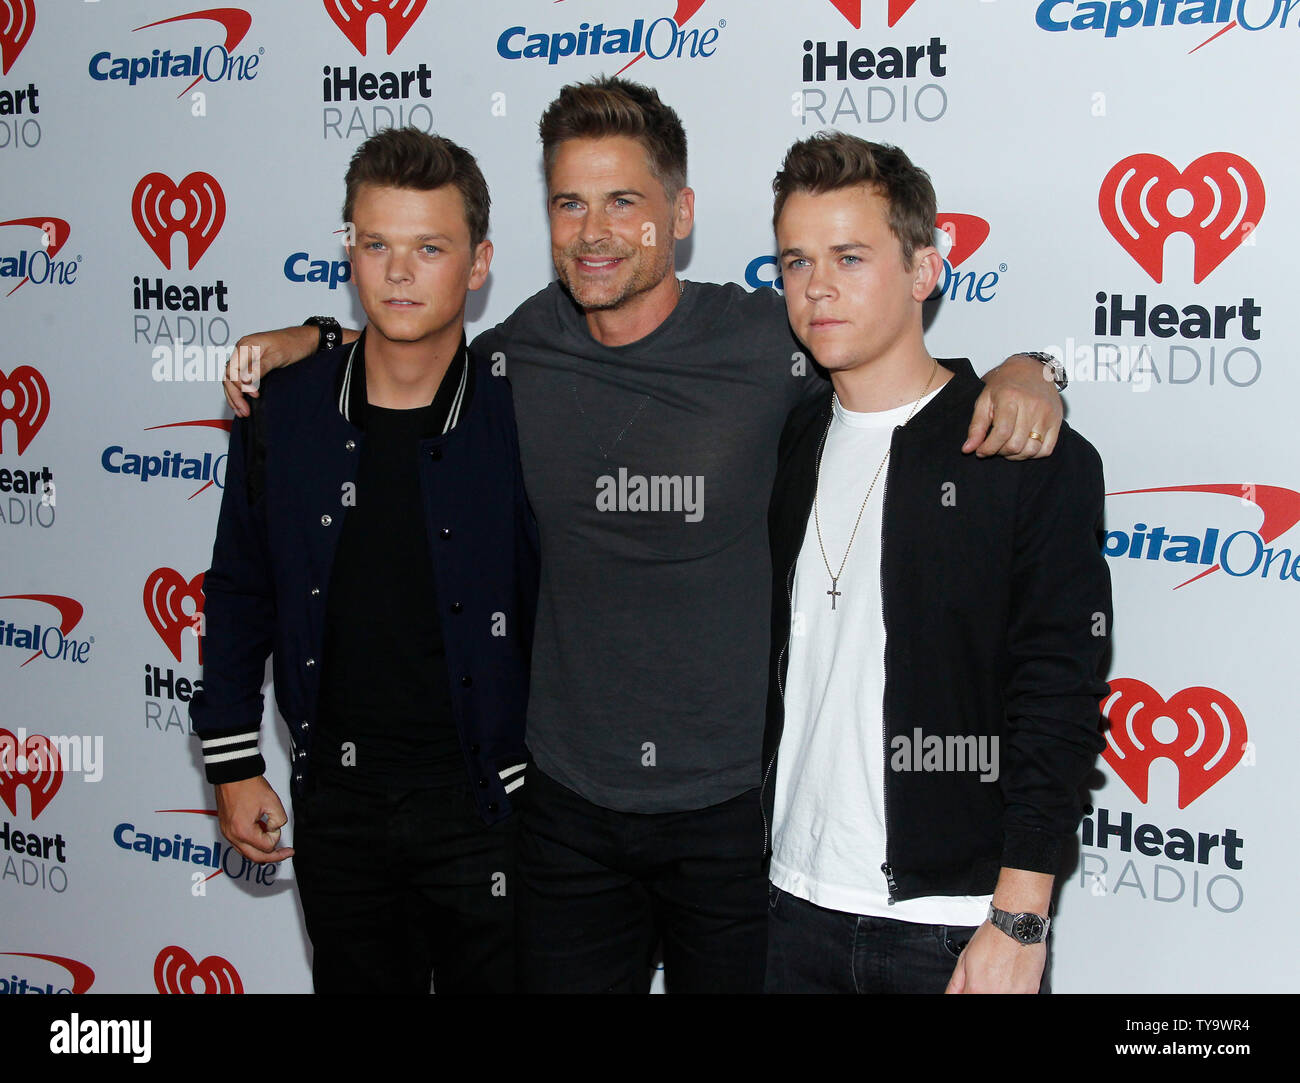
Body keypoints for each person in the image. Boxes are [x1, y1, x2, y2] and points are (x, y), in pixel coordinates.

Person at [222, 77, 1066, 993]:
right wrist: (311, 339)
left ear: (682, 213)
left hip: (740, 822)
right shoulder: (513, 357)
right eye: (570, 203)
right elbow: (406, 340)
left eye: (625, 201)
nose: (595, 231)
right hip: (563, 817)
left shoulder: (772, 340)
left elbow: (896, 371)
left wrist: (1036, 367)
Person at [189, 128, 538, 994]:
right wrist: (232, 762)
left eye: (430, 247)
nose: (399, 272)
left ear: (480, 261)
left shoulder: (524, 402)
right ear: (350, 251)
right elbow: (239, 589)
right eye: (376, 244)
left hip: (493, 804)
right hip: (337, 805)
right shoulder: (288, 408)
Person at [762, 131, 1110, 994]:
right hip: (782, 905)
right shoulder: (789, 435)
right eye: (796, 262)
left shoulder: (1022, 453)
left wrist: (1020, 919)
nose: (819, 287)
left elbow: (1058, 695)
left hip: (952, 931)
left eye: (850, 256)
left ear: (925, 272)